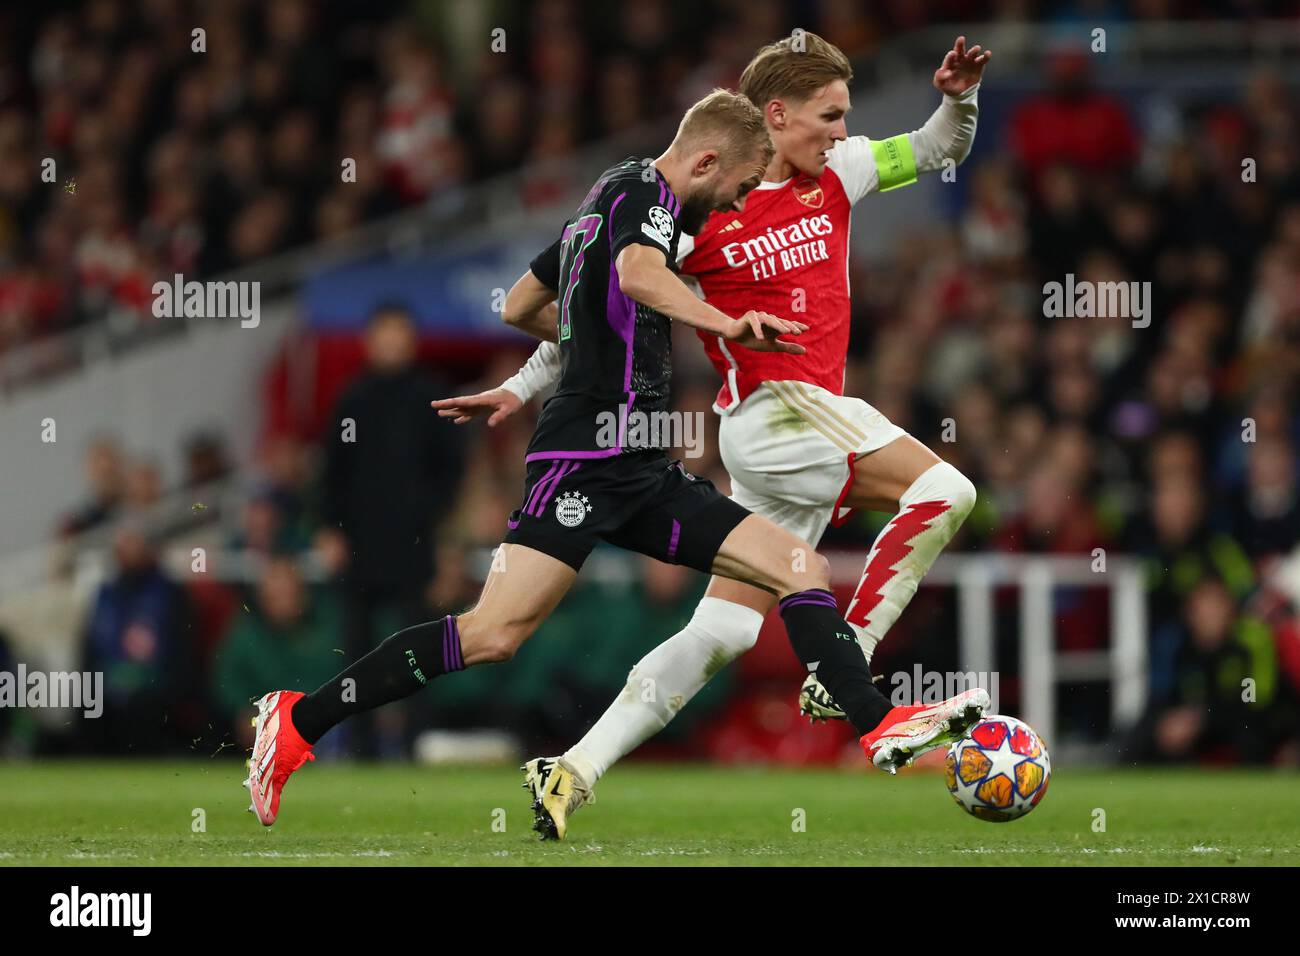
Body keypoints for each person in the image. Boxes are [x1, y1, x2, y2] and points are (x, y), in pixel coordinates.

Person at [245, 88, 986, 830]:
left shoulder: (610, 194)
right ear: (705, 161)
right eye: (729, 191)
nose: (730, 208)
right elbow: (635, 275)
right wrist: (724, 320)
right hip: (580, 458)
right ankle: (301, 720)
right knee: (493, 635)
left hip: (640, 464)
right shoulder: (645, 195)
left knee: (799, 566)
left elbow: (525, 302)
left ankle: (879, 724)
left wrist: (548, 359)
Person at [435, 34, 991, 839]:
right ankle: (851, 665)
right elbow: (597, 315)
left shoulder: (844, 171)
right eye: (828, 116)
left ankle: (573, 769)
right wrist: (520, 386)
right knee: (948, 490)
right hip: (778, 411)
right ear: (777, 114)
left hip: (788, 432)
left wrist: (959, 98)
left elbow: (942, 147)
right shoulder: (701, 215)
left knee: (723, 629)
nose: (842, 132)